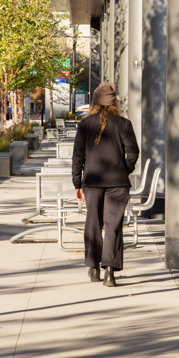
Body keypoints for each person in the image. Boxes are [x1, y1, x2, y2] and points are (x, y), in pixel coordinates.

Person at [71, 81, 138, 287]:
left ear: (95, 101)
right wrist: (123, 169)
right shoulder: (124, 124)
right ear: (113, 102)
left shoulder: (85, 125)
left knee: (93, 223)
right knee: (113, 226)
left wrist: (77, 183)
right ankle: (110, 271)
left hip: (92, 181)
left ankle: (93, 267)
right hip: (118, 182)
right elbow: (133, 154)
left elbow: (78, 157)